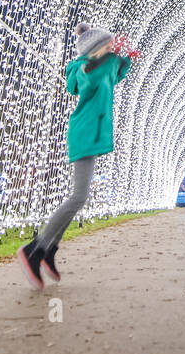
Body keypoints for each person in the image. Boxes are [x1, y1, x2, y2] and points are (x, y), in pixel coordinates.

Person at [17, 22, 134, 289]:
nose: (110, 47)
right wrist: (99, 59)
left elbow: (115, 74)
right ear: (94, 49)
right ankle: (35, 250)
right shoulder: (84, 68)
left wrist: (124, 57)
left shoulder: (104, 66)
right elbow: (86, 80)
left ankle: (48, 250)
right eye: (106, 45)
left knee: (80, 197)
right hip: (83, 134)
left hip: (92, 135)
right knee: (79, 196)